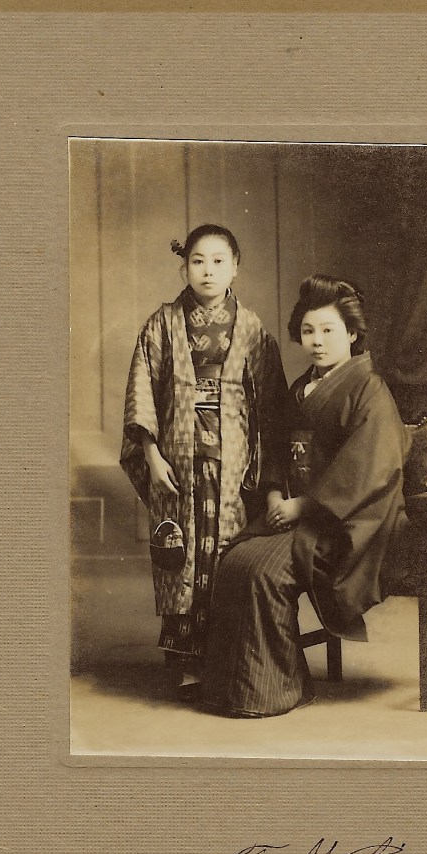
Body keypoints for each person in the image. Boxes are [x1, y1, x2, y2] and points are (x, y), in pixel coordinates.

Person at [202, 274, 412, 718]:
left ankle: (277, 690)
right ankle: (242, 687)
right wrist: (276, 490)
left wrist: (303, 504)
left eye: (329, 330)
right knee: (234, 560)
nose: (317, 341)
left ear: (352, 334)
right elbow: (279, 448)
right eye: (308, 331)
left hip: (350, 520)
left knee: (262, 571)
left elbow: (369, 465)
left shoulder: (368, 388)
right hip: (300, 512)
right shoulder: (302, 388)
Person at [120, 224, 287, 691]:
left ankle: (227, 661)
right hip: (175, 456)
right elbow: (142, 394)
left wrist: (262, 470)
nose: (208, 270)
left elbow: (273, 409)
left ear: (235, 266)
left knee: (225, 551)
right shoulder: (162, 323)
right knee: (182, 551)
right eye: (198, 261)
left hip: (233, 463)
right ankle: (185, 664)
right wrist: (151, 455)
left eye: (218, 261)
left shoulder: (252, 330)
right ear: (184, 267)